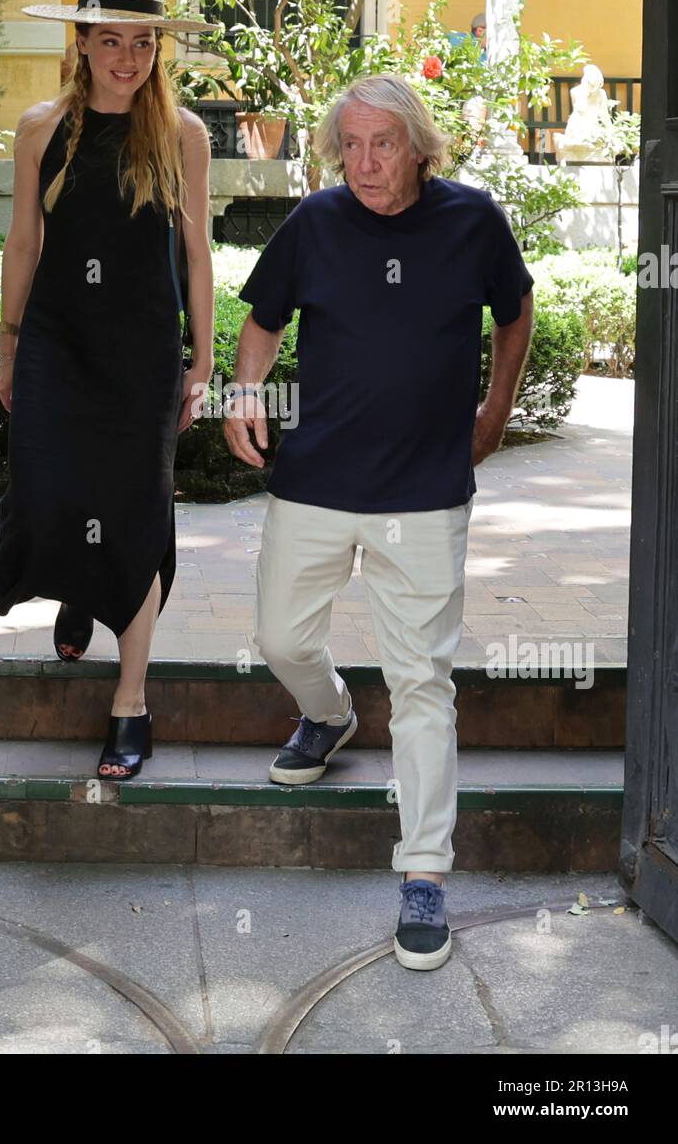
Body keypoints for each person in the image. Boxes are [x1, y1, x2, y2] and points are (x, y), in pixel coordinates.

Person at [223, 73, 533, 972]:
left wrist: (497, 407)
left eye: (382, 145)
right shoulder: (313, 223)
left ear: (419, 147)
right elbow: (263, 319)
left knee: (424, 683)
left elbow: (514, 314)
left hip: (425, 494)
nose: (362, 163)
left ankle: (425, 872)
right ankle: (326, 714)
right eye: (349, 146)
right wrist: (247, 388)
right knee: (280, 635)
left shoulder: (473, 220)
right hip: (316, 478)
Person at [0, 0, 216, 780]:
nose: (128, 57)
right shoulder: (40, 127)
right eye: (111, 40)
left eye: (143, 42)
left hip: (144, 353)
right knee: (48, 490)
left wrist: (205, 358)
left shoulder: (183, 133)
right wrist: (10, 343)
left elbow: (196, 255)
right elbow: (23, 242)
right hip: (57, 342)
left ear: (159, 49)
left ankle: (131, 699)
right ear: (81, 43)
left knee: (135, 509)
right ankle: (77, 586)